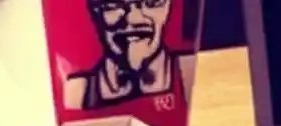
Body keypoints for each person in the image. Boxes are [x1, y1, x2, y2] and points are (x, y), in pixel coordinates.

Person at [63, 0, 193, 111]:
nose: (132, 19)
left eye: (151, 2)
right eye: (112, 5)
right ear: (94, 13)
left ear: (168, 7)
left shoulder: (189, 72)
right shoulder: (78, 92)